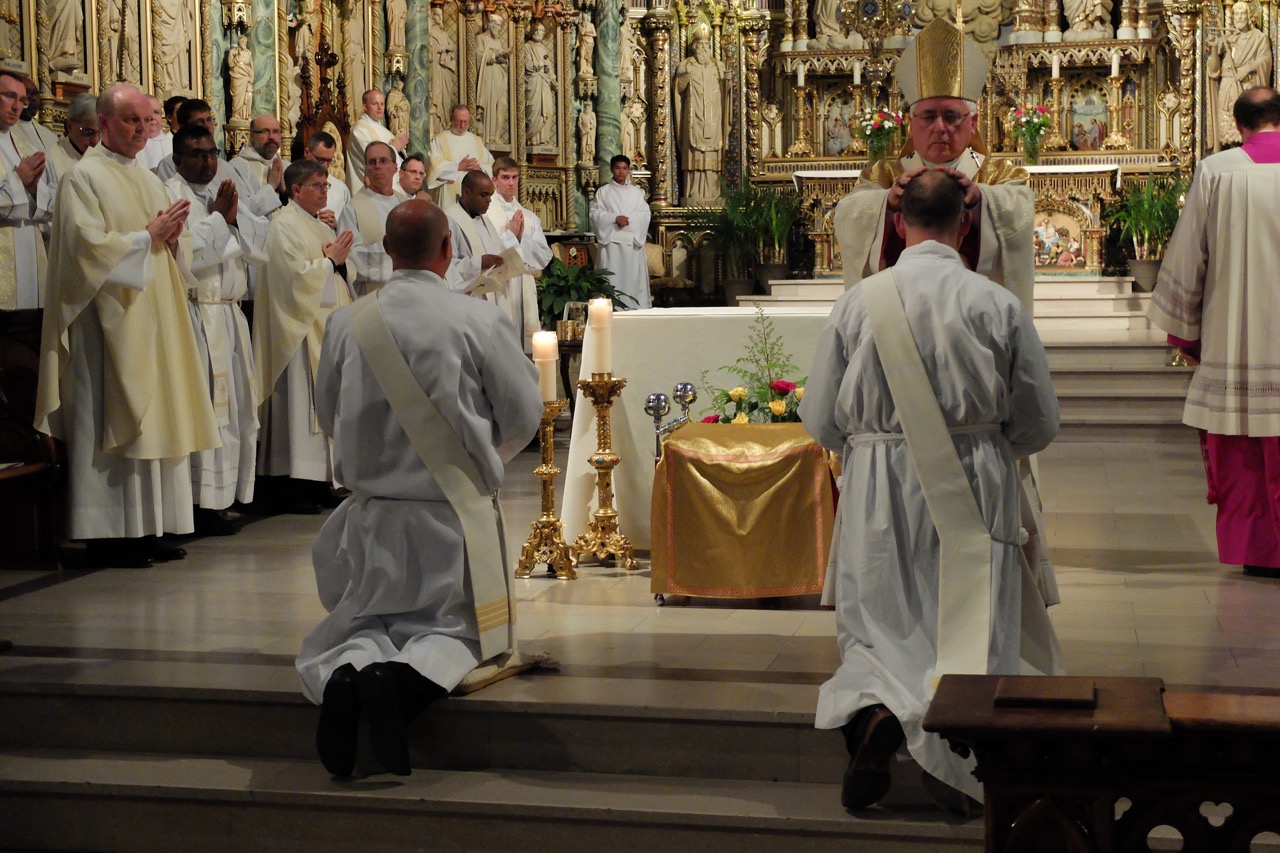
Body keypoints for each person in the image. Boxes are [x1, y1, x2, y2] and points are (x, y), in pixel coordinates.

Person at [800, 169, 1061, 816]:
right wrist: (987, 446)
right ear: (966, 224)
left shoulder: (859, 301)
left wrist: (870, 446)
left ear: (896, 223)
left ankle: (876, 718)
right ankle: (956, 752)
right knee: (967, 624)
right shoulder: (995, 303)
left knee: (880, 620)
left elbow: (820, 417)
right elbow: (1038, 422)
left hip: (876, 487)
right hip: (974, 486)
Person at [296, 199, 541, 777]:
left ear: (385, 251)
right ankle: (400, 687)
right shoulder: (475, 318)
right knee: (458, 632)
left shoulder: (346, 322)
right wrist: (474, 466)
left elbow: (327, 413)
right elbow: (524, 415)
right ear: (447, 250)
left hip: (371, 516)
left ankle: (349, 678)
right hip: (449, 520)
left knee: (366, 625)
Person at [34, 83, 219, 567]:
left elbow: (163, 247)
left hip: (153, 313)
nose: (141, 130)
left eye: (145, 120)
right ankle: (109, 532)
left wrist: (172, 240)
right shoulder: (83, 178)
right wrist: (145, 238)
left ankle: (149, 525)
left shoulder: (148, 180)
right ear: (104, 123)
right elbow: (83, 251)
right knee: (111, 417)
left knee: (157, 417)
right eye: (131, 120)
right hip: (107, 323)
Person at [1149, 86, 1280, 579]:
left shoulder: (1216, 172)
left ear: (1238, 124)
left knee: (1245, 444)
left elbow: (1188, 259)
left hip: (1238, 339)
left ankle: (1260, 551)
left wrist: (1185, 330)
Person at [833, 18, 1035, 314]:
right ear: (911, 124)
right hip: (900, 311)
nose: (940, 128)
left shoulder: (1000, 175)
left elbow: (1020, 211)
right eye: (928, 116)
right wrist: (886, 203)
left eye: (952, 116)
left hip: (976, 311)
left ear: (973, 123)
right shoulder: (884, 175)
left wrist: (982, 200)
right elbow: (849, 213)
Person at [165, 125, 269, 534]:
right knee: (207, 410)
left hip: (229, 316)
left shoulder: (221, 195)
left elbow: (260, 244)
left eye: (212, 153)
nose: (207, 161)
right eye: (197, 154)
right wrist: (221, 220)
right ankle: (199, 503)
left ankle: (224, 498)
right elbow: (186, 252)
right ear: (177, 159)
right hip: (198, 317)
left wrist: (229, 220)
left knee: (237, 409)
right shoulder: (172, 194)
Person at [253, 160, 354, 513]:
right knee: (300, 410)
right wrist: (329, 263)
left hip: (325, 329)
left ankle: (322, 480)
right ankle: (295, 482)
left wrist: (339, 263)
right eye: (318, 185)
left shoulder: (320, 226)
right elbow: (291, 279)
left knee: (322, 410)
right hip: (297, 332)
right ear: (296, 190)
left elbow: (338, 272)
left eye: (327, 186)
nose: (325, 192)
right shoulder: (282, 226)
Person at [0, 69, 54, 310]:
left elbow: (48, 203)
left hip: (31, 259)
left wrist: (32, 191)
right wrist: (18, 182)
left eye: (22, 100)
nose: (17, 106)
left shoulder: (25, 146)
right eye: (10, 96)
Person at [486, 156, 551, 352]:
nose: (511, 183)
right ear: (494, 180)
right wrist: (509, 235)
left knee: (524, 348)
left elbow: (544, 257)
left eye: (515, 177)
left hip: (523, 287)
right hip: (499, 288)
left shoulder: (529, 217)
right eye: (505, 177)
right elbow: (487, 253)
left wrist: (522, 238)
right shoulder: (486, 214)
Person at [338, 140, 408, 296]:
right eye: (372, 162)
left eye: (383, 161)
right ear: (366, 169)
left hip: (407, 290)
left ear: (395, 168)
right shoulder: (352, 209)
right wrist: (399, 259)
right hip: (372, 295)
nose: (377, 166)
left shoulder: (406, 205)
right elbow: (350, 257)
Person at [673, 23, 728, 205]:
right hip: (693, 119)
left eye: (707, 45)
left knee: (713, 155)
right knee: (694, 154)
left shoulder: (718, 67)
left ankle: (714, 191)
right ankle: (693, 192)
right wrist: (685, 78)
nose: (704, 48)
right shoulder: (686, 65)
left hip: (714, 118)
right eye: (701, 45)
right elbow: (678, 90)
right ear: (694, 46)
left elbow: (727, 94)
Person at [1207, 2, 1273, 150]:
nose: (1239, 17)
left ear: (1249, 16)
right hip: (1227, 89)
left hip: (1245, 87)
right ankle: (1230, 151)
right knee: (1228, 128)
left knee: (1246, 123)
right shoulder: (1228, 39)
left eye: (1243, 14)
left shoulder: (1259, 38)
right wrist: (1214, 48)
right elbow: (1214, 69)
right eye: (1236, 14)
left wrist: (1247, 68)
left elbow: (1265, 60)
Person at [589, 154, 650, 310]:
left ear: (628, 170)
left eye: (624, 168)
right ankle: (609, 311)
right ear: (611, 169)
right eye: (617, 168)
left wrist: (629, 221)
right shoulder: (603, 192)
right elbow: (595, 215)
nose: (621, 172)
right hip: (612, 245)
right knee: (612, 279)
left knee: (631, 281)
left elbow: (645, 214)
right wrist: (614, 218)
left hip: (631, 245)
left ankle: (634, 310)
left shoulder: (636, 193)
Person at [445, 170, 504, 293]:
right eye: (484, 195)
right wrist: (479, 263)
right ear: (466, 192)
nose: (489, 200)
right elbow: (448, 267)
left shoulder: (486, 222)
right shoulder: (451, 220)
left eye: (490, 195)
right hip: (469, 295)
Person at [427, 104, 493, 212]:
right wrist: (458, 166)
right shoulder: (440, 140)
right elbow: (433, 167)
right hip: (449, 197)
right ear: (451, 119)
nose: (462, 126)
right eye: (459, 121)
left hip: (474, 197)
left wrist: (479, 169)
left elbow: (490, 164)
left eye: (465, 122)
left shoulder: (476, 141)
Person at [226, 113, 286, 218]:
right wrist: (271, 186)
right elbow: (242, 213)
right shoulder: (236, 167)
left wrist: (285, 192)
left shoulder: (287, 166)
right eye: (265, 132)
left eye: (276, 132)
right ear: (252, 136)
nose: (271, 137)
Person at [348, 88, 408, 192]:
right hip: (367, 191)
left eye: (382, 104)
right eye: (375, 104)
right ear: (365, 107)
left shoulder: (386, 131)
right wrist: (394, 148)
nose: (380, 107)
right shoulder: (359, 131)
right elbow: (374, 160)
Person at [48, 92, 100, 180]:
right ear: (70, 126)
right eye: (89, 132)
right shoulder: (50, 161)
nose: (96, 141)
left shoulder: (105, 157)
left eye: (100, 133)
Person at [302, 130, 351, 221]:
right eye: (320, 160)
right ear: (306, 152)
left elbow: (349, 225)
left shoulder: (341, 189)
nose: (325, 165)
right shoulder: (293, 182)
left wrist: (336, 225)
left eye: (329, 161)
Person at [523, 21, 558, 147]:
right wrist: (540, 65)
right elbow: (527, 65)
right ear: (532, 32)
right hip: (534, 82)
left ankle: (544, 139)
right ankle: (533, 139)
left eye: (542, 32)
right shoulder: (527, 46)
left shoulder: (543, 48)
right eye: (537, 31)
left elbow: (548, 65)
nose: (539, 34)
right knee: (534, 110)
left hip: (544, 82)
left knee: (547, 110)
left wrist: (549, 72)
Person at [136, 95, 169, 171]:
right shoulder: (129, 145)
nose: (152, 117)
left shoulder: (172, 145)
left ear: (161, 115)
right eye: (148, 111)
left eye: (156, 112)